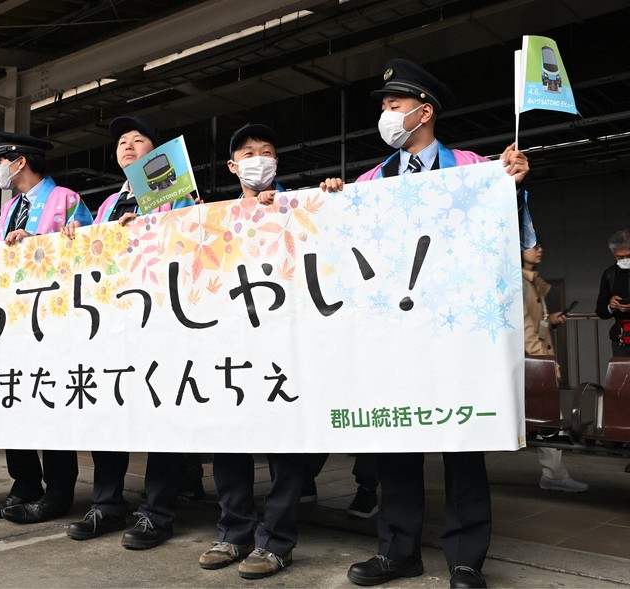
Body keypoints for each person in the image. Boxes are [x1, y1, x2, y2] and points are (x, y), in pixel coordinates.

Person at [321, 58, 533, 589]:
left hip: (457, 329)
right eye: (387, 107)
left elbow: (520, 240)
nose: (387, 115)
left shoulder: (474, 167)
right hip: (394, 330)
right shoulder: (372, 179)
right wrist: (328, 203)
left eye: (394, 106)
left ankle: (466, 559)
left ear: (424, 111)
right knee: (396, 442)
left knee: (463, 443)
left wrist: (514, 186)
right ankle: (398, 552)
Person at [65, 116, 195, 550]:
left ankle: (157, 512)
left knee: (158, 410)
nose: (127, 145)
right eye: (122, 141)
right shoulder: (105, 204)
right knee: (110, 410)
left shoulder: (176, 192)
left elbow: (191, 240)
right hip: (111, 320)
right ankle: (107, 503)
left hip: (159, 316)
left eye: (139, 140)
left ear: (157, 154)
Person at [197, 123, 303, 580]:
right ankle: (234, 532)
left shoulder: (298, 204)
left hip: (282, 341)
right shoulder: (211, 215)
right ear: (232, 165)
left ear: (277, 162)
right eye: (248, 152)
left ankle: (277, 541)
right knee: (230, 441)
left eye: (266, 151)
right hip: (230, 342)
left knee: (286, 447)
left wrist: (321, 198)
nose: (258, 158)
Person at [0, 131, 92, 524]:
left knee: (52, 403)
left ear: (19, 162)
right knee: (15, 402)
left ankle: (59, 492)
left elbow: (92, 253)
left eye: (2, 161)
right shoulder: (10, 210)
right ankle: (24, 485)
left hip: (54, 319)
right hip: (15, 321)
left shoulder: (66, 200)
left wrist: (40, 240)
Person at [522, 242, 587, 493]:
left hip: (531, 363)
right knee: (547, 418)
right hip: (531, 364)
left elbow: (536, 325)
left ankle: (554, 474)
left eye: (540, 245)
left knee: (545, 419)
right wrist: (546, 364)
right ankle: (553, 475)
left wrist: (551, 321)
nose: (540, 250)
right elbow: (525, 329)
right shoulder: (519, 283)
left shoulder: (531, 281)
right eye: (532, 246)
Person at [595, 228, 630, 358]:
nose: (625, 260)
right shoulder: (610, 274)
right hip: (621, 339)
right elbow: (600, 310)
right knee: (622, 377)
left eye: (629, 256)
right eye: (620, 257)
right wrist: (611, 306)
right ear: (613, 254)